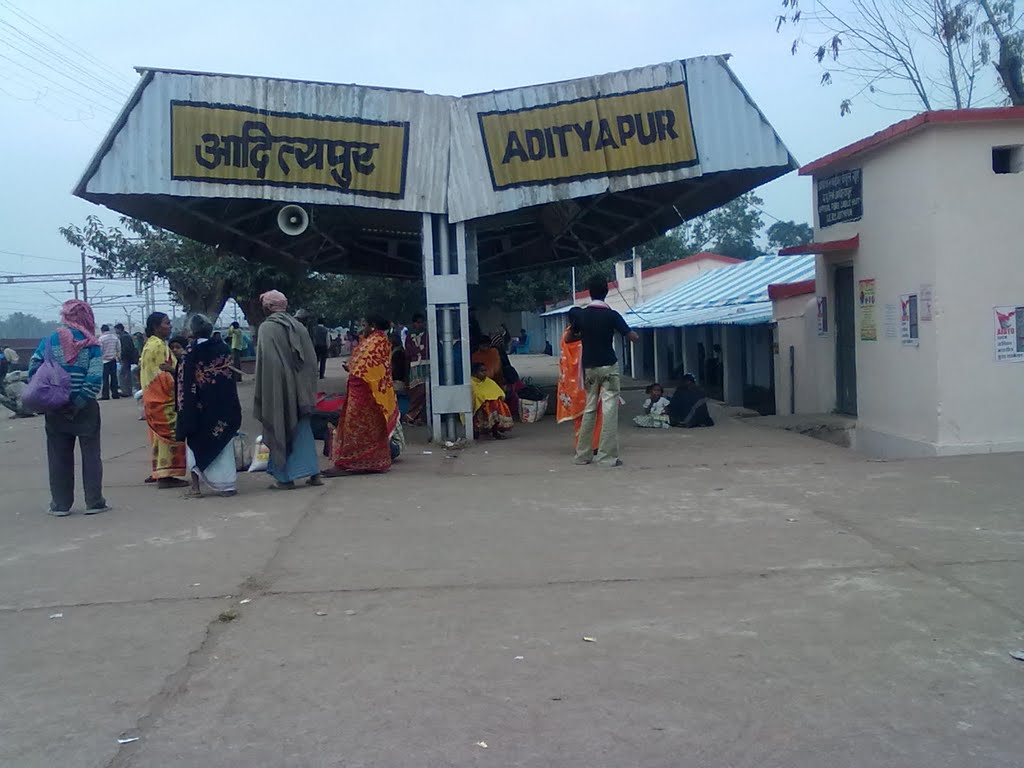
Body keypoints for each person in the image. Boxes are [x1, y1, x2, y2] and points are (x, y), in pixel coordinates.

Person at [29, 300, 109, 516]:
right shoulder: (91, 344)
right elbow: (94, 379)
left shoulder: (48, 341)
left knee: (58, 456)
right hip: (85, 408)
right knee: (91, 455)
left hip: (55, 408)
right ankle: (94, 502)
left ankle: (60, 504)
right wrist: (79, 402)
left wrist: (50, 398)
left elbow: (34, 369)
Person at [253, 290, 323, 490]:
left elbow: (268, 364)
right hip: (301, 392)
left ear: (267, 307)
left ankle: (285, 478)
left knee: (281, 427)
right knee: (303, 430)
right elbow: (310, 361)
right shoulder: (298, 326)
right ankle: (314, 474)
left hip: (279, 390)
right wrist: (304, 388)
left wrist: (277, 389)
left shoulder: (267, 328)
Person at [569, 274, 639, 467]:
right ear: (606, 292)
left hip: (589, 368)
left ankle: (582, 455)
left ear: (589, 293)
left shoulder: (582, 315)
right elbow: (632, 337)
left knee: (589, 409)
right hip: (608, 366)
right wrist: (634, 334)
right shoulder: (612, 315)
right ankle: (607, 457)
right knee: (609, 411)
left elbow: (570, 338)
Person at [176, 314, 242, 497]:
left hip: (199, 409)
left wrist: (184, 412)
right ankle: (228, 486)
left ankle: (195, 488)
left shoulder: (190, 353)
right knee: (223, 444)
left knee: (195, 445)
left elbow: (183, 385)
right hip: (223, 408)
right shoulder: (223, 349)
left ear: (192, 331)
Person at [329, 315, 398, 473]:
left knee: (354, 428)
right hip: (367, 393)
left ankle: (347, 463)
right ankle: (371, 462)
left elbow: (369, 369)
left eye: (364, 324)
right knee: (368, 428)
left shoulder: (375, 341)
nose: (362, 328)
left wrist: (353, 369)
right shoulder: (377, 340)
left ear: (373, 325)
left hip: (365, 394)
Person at [140, 312, 189, 489]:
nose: (169, 326)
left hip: (151, 397)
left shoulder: (149, 345)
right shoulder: (158, 346)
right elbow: (163, 374)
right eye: (166, 323)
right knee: (172, 436)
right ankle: (167, 475)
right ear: (156, 326)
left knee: (158, 439)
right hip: (164, 398)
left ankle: (159, 471)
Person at [556, 323, 602, 454]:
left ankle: (585, 445)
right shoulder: (582, 339)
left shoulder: (568, 337)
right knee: (594, 415)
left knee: (585, 418)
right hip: (585, 384)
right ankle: (592, 445)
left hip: (576, 386)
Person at [471, 362, 513, 439]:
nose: (484, 373)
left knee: (498, 405)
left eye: (485, 371)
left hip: (492, 404)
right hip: (478, 406)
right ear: (475, 372)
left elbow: (499, 392)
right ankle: (477, 431)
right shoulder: (471, 383)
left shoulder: (488, 381)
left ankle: (495, 431)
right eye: (481, 371)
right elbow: (475, 396)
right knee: (490, 407)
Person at [404, 312, 429, 425]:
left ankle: (418, 416)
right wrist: (419, 351)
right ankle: (412, 415)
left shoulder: (428, 335)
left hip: (427, 366)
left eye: (421, 322)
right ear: (414, 324)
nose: (420, 324)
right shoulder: (409, 337)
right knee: (416, 391)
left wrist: (418, 351)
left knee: (426, 391)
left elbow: (428, 350)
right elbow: (409, 352)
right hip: (414, 368)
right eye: (417, 322)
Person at [97, 324, 121, 400]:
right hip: (113, 360)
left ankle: (106, 395)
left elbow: (100, 350)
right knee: (114, 378)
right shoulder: (115, 338)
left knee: (105, 379)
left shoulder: (101, 339)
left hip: (104, 361)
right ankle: (115, 394)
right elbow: (119, 348)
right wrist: (117, 356)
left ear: (102, 330)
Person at [114, 323, 138, 396]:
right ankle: (128, 390)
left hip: (126, 358)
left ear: (119, 329)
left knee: (123, 375)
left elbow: (125, 349)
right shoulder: (126, 335)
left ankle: (126, 391)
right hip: (128, 358)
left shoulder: (124, 337)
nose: (115, 331)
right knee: (126, 374)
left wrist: (121, 356)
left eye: (116, 329)